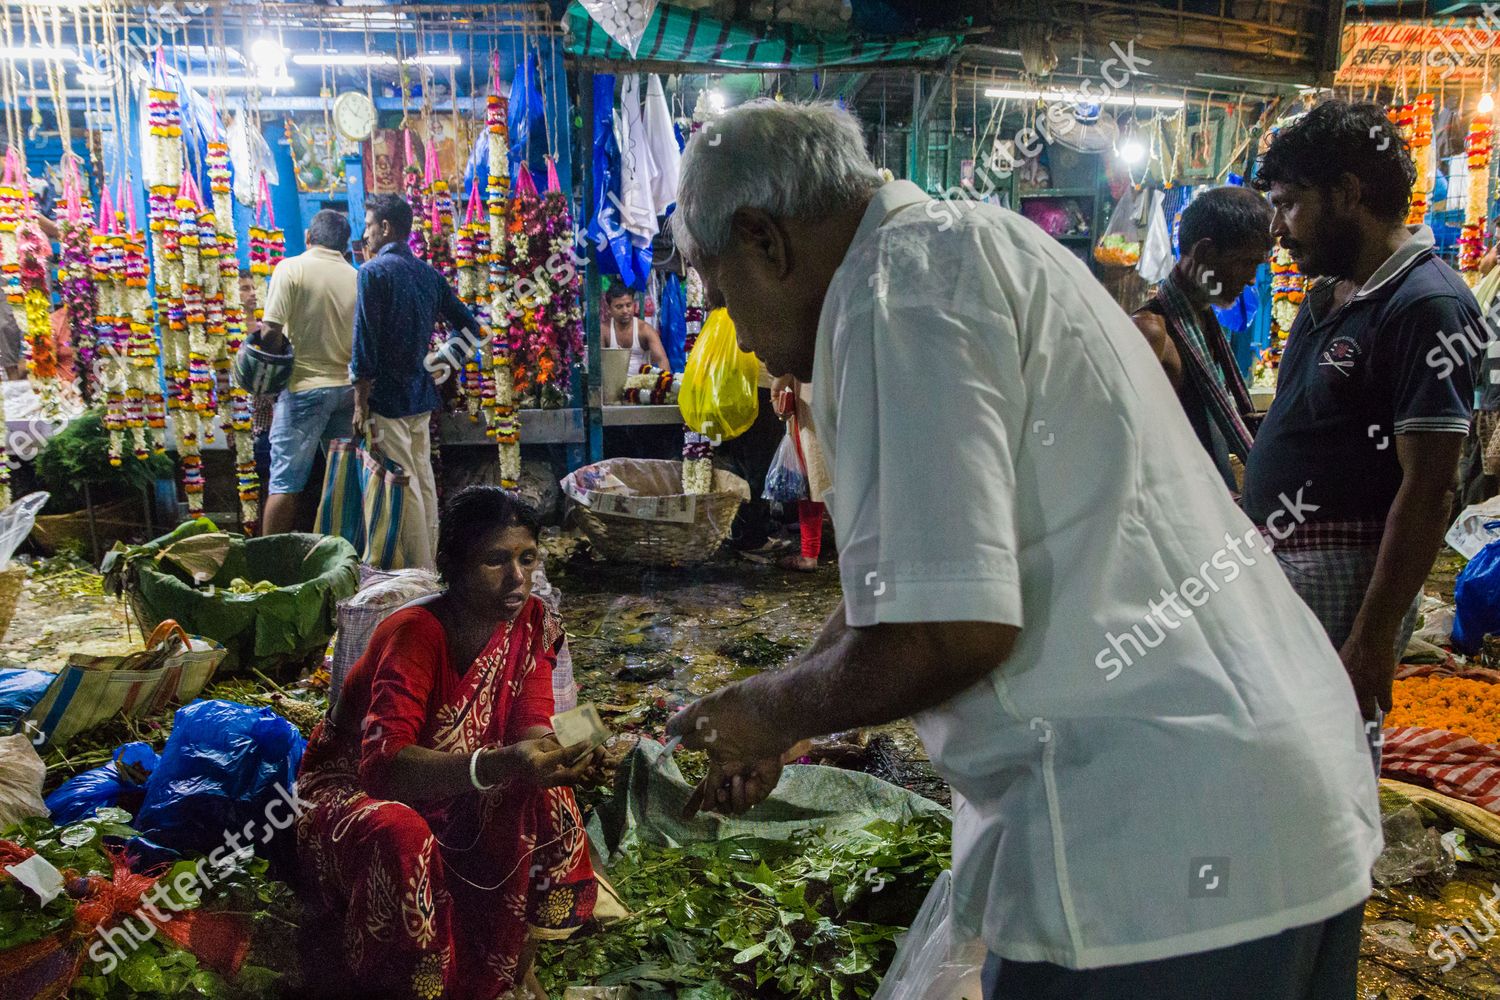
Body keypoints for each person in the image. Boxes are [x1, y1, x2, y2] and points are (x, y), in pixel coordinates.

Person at [664, 100, 1380, 1000]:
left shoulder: (893, 291)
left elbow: (952, 630)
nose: (736, 332)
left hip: (1156, 856)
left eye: (722, 295)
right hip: (1280, 807)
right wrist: (790, 707)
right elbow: (921, 565)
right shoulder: (967, 247)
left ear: (763, 239)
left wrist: (769, 709)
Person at [295, 486, 604, 1000]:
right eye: (495, 561)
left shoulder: (533, 622)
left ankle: (511, 966)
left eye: (528, 558)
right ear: (454, 566)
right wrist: (501, 764)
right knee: (403, 832)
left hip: (461, 777)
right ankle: (413, 983)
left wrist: (574, 747)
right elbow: (383, 770)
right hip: (353, 788)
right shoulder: (415, 634)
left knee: (548, 792)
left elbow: (530, 725)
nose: (517, 577)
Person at [1248, 100, 1479, 720]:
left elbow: (1430, 488)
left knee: (1324, 750)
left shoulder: (1427, 305)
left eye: (1288, 204)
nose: (1277, 227)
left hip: (1344, 577)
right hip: (1284, 565)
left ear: (1348, 193)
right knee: (1272, 746)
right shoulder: (1330, 292)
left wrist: (1372, 637)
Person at [352, 194, 484, 570]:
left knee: (400, 481)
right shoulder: (429, 275)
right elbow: (472, 328)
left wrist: (360, 401)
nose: (366, 234)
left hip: (386, 398)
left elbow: (365, 343)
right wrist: (441, 362)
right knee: (422, 479)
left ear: (386, 228)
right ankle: (432, 563)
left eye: (369, 226)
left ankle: (417, 569)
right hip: (420, 394)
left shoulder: (372, 273)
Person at [1131, 185, 1271, 492]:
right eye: (1246, 262)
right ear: (1206, 253)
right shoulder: (1150, 333)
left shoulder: (1203, 323)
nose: (1251, 279)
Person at [258, 210, 358, 535]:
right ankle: (345, 555)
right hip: (347, 393)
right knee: (344, 487)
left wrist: (270, 373)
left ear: (307, 237)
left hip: (303, 388)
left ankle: (269, 559)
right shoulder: (357, 277)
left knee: (285, 484)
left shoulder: (291, 268)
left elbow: (270, 331)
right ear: (345, 245)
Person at [769, 373, 831, 571]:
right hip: (855, 392)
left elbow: (793, 356)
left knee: (812, 473)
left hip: (812, 392)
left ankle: (809, 555)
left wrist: (778, 385)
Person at [601, 283, 670, 372]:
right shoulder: (604, 330)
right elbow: (598, 363)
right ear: (609, 309)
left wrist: (664, 379)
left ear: (633, 304)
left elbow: (661, 360)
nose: (625, 311)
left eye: (628, 305)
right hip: (612, 380)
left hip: (640, 380)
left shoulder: (645, 329)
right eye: (619, 307)